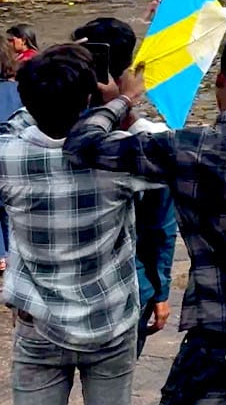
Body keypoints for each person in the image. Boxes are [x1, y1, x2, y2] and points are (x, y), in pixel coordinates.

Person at [65, 32, 226, 405]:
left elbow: (81, 147)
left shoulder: (186, 147)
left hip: (220, 323)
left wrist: (123, 98)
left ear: (220, 79)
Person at [1, 48, 151, 405]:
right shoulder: (122, 154)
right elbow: (161, 143)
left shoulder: (8, 157)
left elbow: (17, 123)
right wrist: (123, 103)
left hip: (38, 322)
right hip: (110, 320)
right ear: (88, 98)